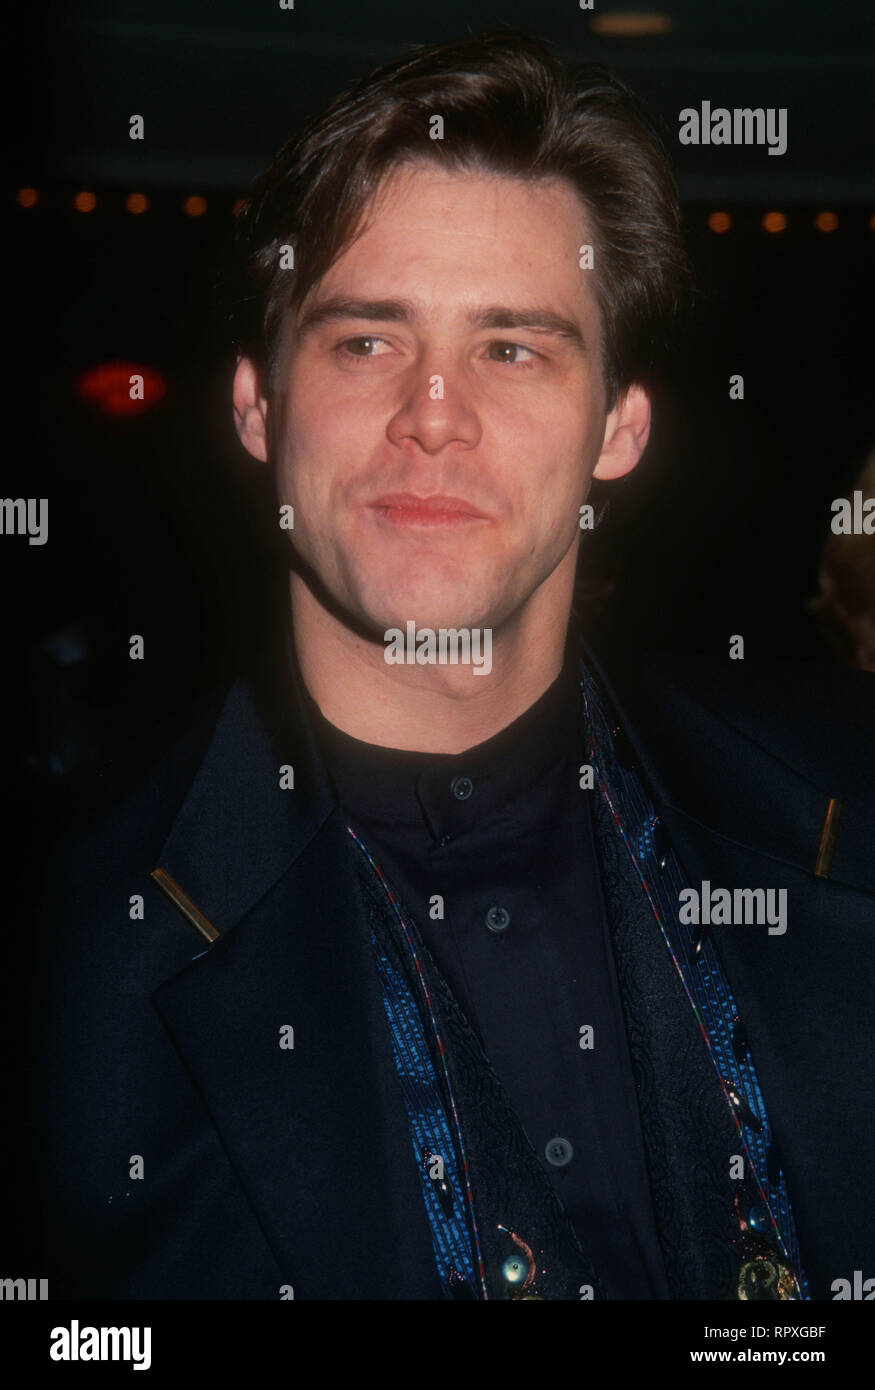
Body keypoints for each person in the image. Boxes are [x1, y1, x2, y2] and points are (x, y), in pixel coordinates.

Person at [32, 30, 874, 1301]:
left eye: (512, 347)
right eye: (366, 341)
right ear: (257, 409)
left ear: (618, 427)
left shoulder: (846, 799)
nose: (434, 410)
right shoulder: (55, 950)